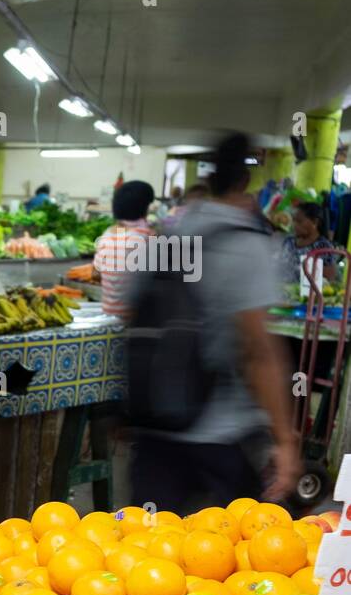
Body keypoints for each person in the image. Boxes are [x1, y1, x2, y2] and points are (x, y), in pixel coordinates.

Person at [125, 132, 299, 512]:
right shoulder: (245, 244)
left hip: (154, 429)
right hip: (220, 435)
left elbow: (131, 318)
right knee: (238, 555)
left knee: (146, 553)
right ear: (245, 181)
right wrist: (285, 440)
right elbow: (258, 352)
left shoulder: (168, 235)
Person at [92, 180, 155, 320]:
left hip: (109, 315)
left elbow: (95, 274)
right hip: (135, 321)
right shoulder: (146, 237)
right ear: (144, 208)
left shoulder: (107, 234)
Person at [279, 201, 334, 285]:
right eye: (294, 220)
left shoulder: (324, 248)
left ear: (315, 222)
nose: (294, 225)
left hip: (305, 296)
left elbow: (329, 280)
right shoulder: (288, 242)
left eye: (299, 221)